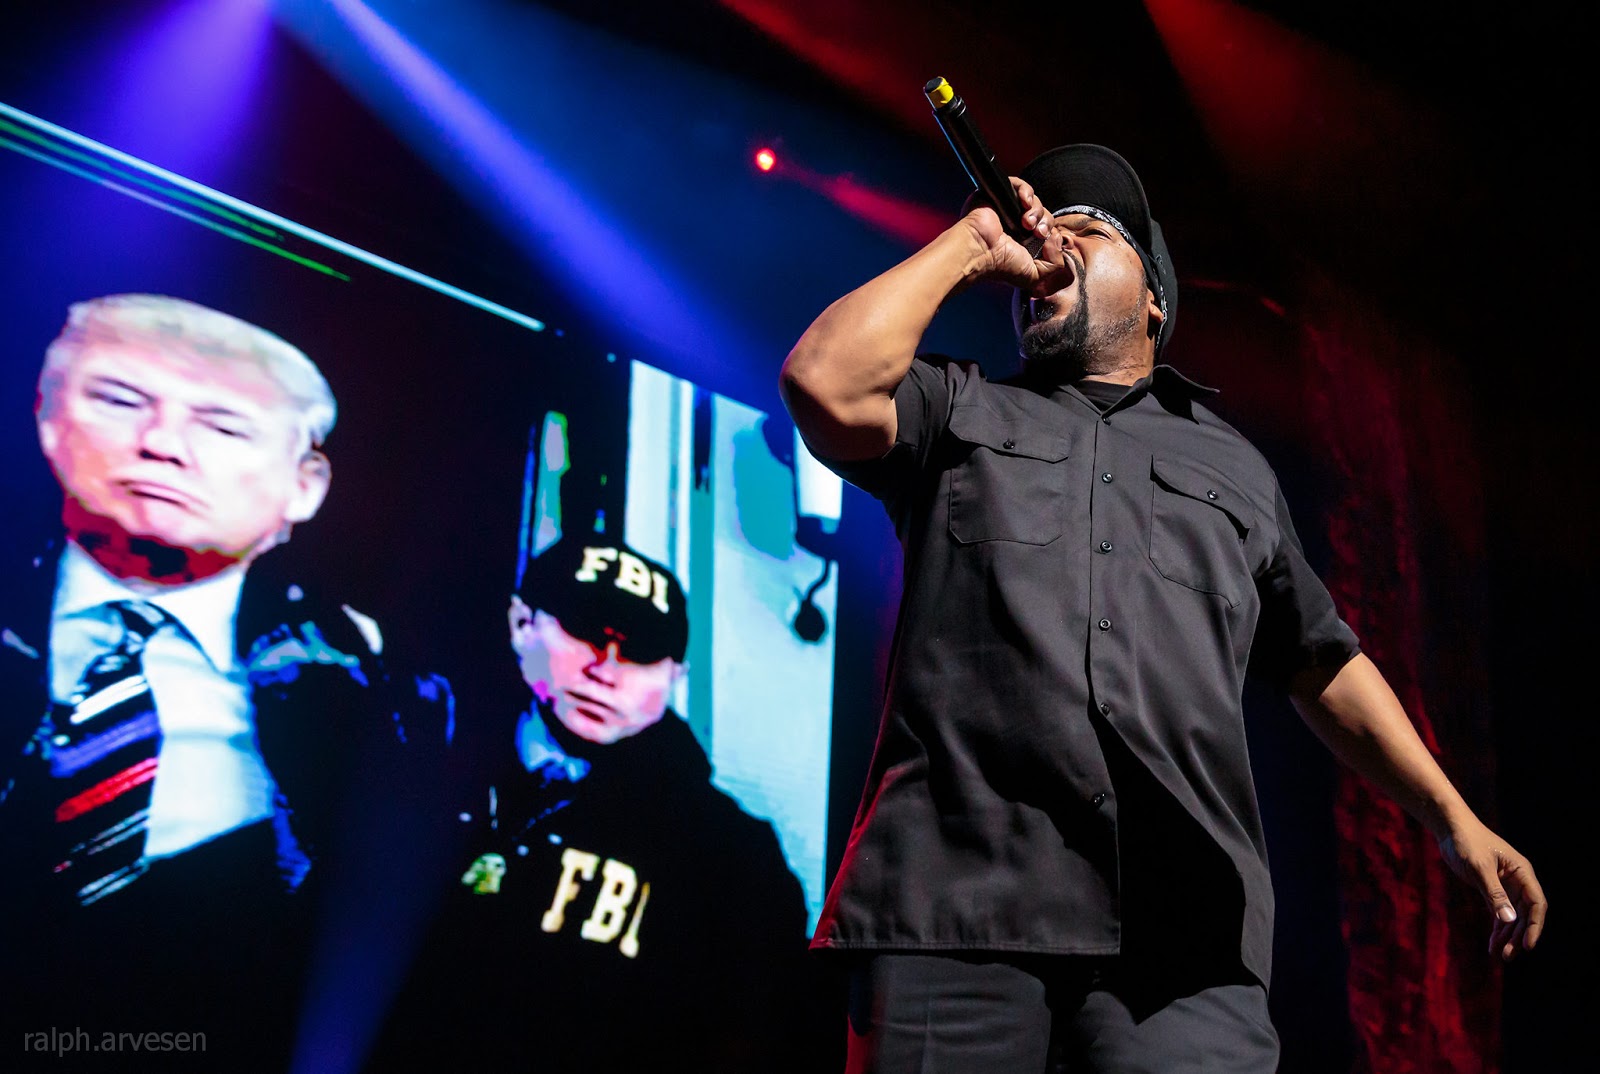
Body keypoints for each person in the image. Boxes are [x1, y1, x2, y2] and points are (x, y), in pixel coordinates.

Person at [778, 144, 1547, 1072]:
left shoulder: (1234, 470)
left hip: (1184, 951)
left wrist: (1455, 822)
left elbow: (1323, 661)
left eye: (1085, 231)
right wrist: (972, 241)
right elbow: (823, 382)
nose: (1046, 245)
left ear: (1153, 299)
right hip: (956, 915)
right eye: (1037, 230)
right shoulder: (958, 408)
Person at [0, 293, 452, 1061]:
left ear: (304, 486)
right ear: (48, 416)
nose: (163, 444)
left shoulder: (369, 700)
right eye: (119, 398)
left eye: (223, 424)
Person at [370, 536, 824, 1073]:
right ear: (521, 624)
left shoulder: (730, 855)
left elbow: (771, 1035)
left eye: (638, 652)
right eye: (586, 632)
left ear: (675, 675)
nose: (606, 671)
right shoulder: (410, 783)